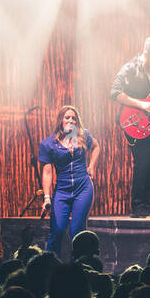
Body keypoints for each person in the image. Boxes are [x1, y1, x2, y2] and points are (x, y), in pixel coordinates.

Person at [110, 36, 150, 218]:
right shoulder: (130, 68)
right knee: (142, 164)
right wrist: (141, 105)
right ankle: (138, 208)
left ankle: (147, 206)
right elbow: (114, 92)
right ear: (145, 53)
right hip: (135, 123)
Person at [39, 105, 98, 260]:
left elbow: (96, 147)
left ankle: (79, 266)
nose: (71, 120)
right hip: (62, 190)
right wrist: (46, 197)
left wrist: (91, 166)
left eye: (73, 118)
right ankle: (50, 266)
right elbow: (47, 172)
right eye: (67, 117)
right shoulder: (48, 144)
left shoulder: (83, 135)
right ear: (61, 121)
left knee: (77, 230)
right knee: (57, 229)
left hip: (83, 187)